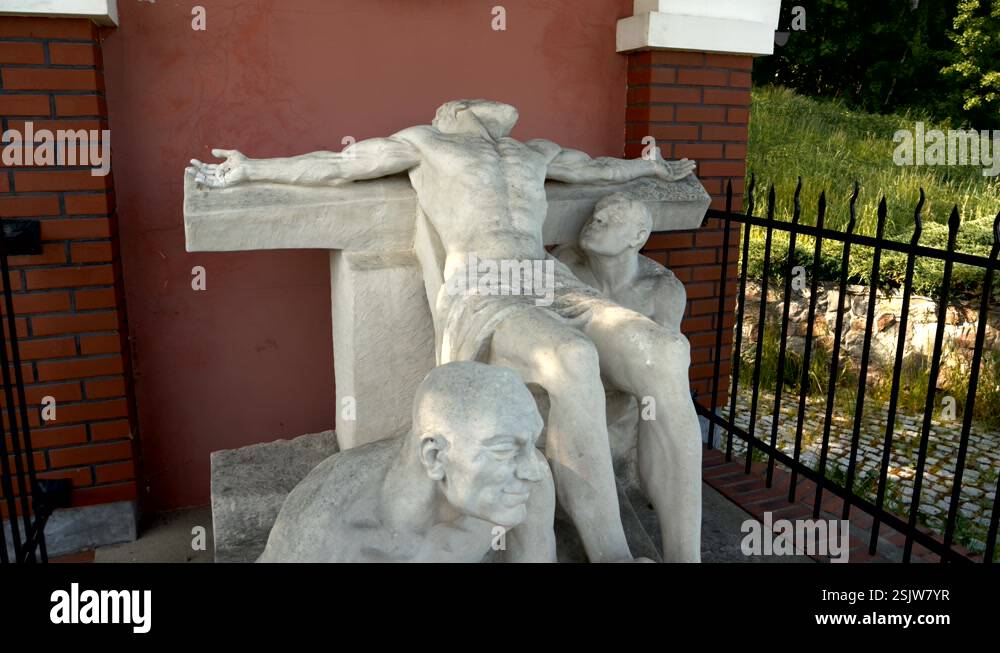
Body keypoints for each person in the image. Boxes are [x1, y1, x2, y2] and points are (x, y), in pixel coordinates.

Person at [191, 99, 702, 562]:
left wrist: (648, 166)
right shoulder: (426, 143)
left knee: (666, 352)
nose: (484, 102)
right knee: (571, 357)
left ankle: (686, 558)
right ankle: (611, 555)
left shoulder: (535, 152)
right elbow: (339, 164)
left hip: (549, 278)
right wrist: (252, 168)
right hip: (485, 285)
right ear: (450, 112)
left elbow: (598, 172)